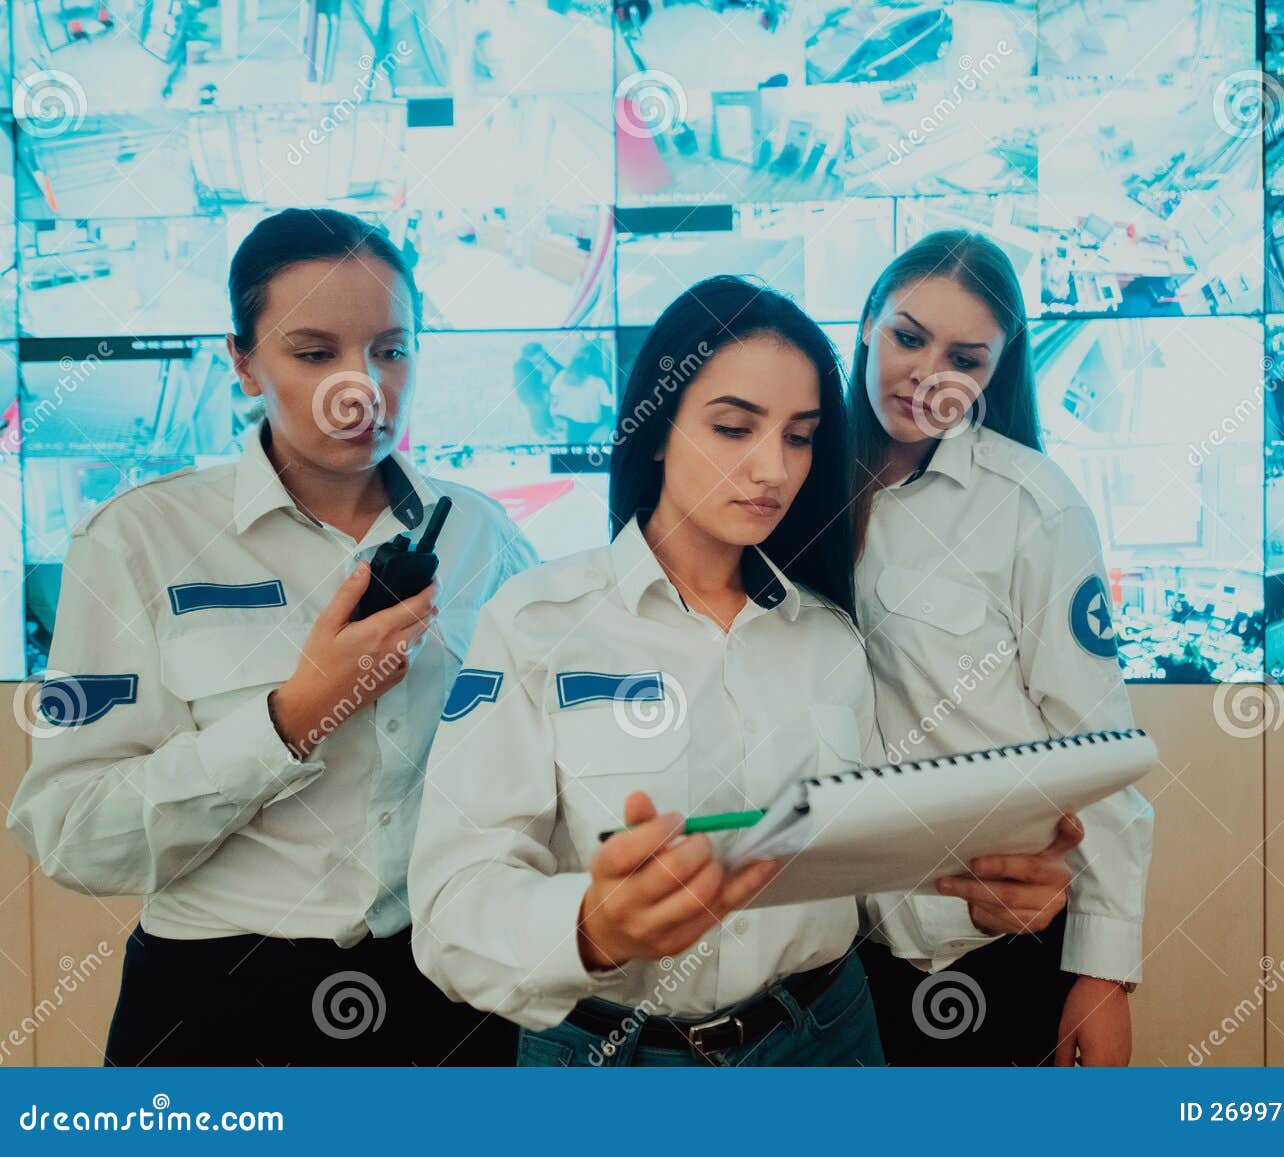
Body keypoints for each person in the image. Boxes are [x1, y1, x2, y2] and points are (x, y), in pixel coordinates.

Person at [407, 276, 1081, 1066]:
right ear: (658, 430)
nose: (773, 470)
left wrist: (987, 899)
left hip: (825, 1044)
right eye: (733, 428)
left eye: (799, 437)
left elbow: (868, 885)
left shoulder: (829, 637)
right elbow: (454, 906)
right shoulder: (535, 623)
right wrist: (592, 925)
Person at [6, 207, 535, 1066]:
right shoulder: (138, 539)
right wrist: (291, 717)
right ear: (243, 363)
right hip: (216, 1006)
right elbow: (70, 831)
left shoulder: (484, 535)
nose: (361, 386)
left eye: (392, 349)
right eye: (315, 352)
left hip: (447, 993)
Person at [847, 230, 1156, 1066]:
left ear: (996, 376)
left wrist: (1102, 974)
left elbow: (1099, 749)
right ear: (868, 323)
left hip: (985, 946)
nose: (928, 374)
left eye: (967, 358)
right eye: (908, 337)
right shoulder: (791, 490)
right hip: (824, 967)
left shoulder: (1033, 507)